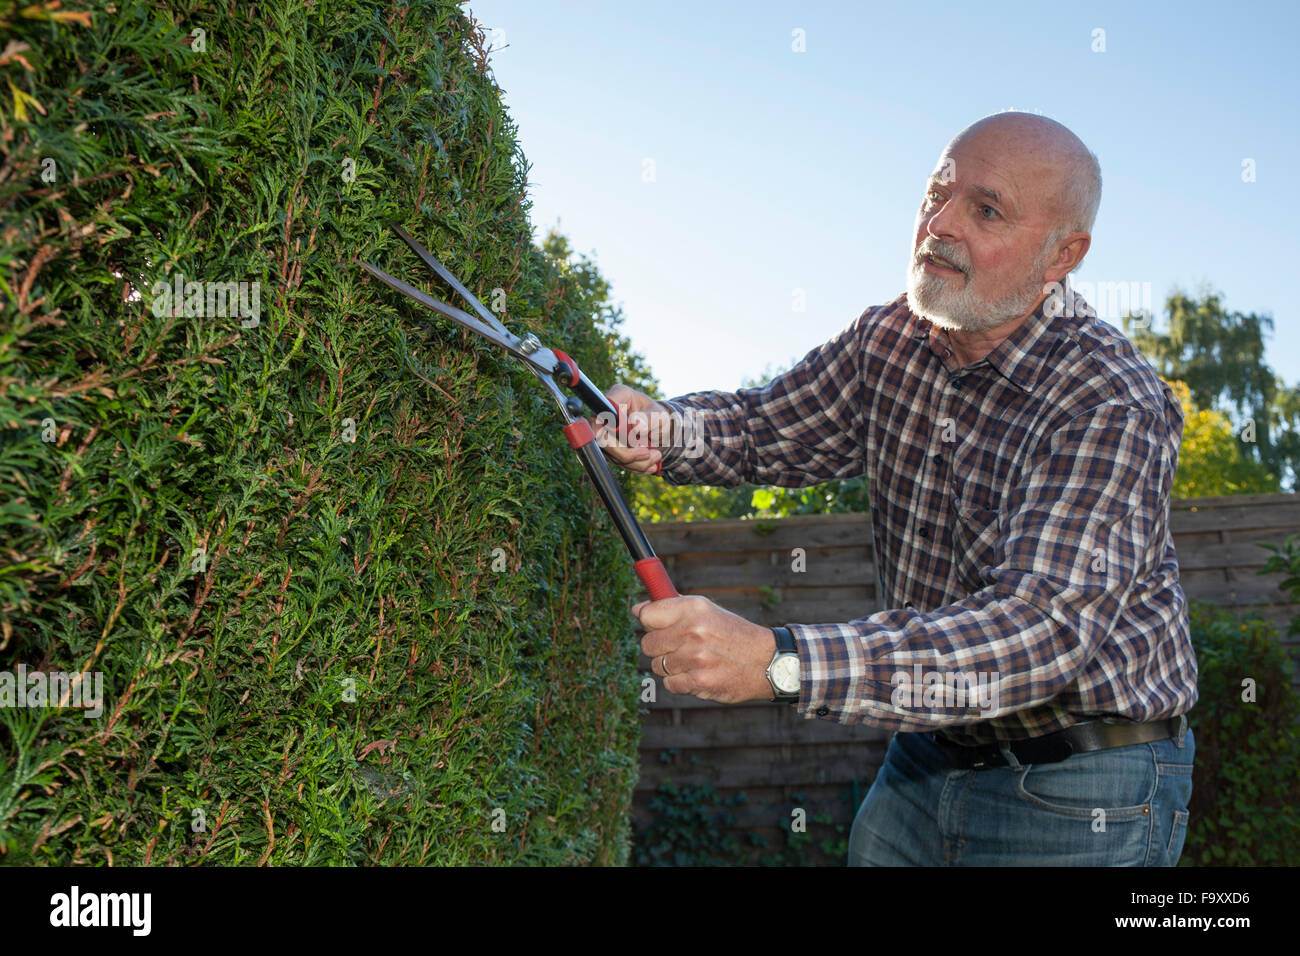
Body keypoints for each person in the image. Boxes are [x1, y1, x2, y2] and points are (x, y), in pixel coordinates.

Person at [594, 112, 1197, 867]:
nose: (938, 225)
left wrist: (779, 662)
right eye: (934, 195)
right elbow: (764, 425)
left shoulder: (1109, 398)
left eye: (985, 209)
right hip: (923, 754)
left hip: (1082, 779)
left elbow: (1038, 632)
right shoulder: (893, 338)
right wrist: (663, 428)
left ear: (1062, 255)